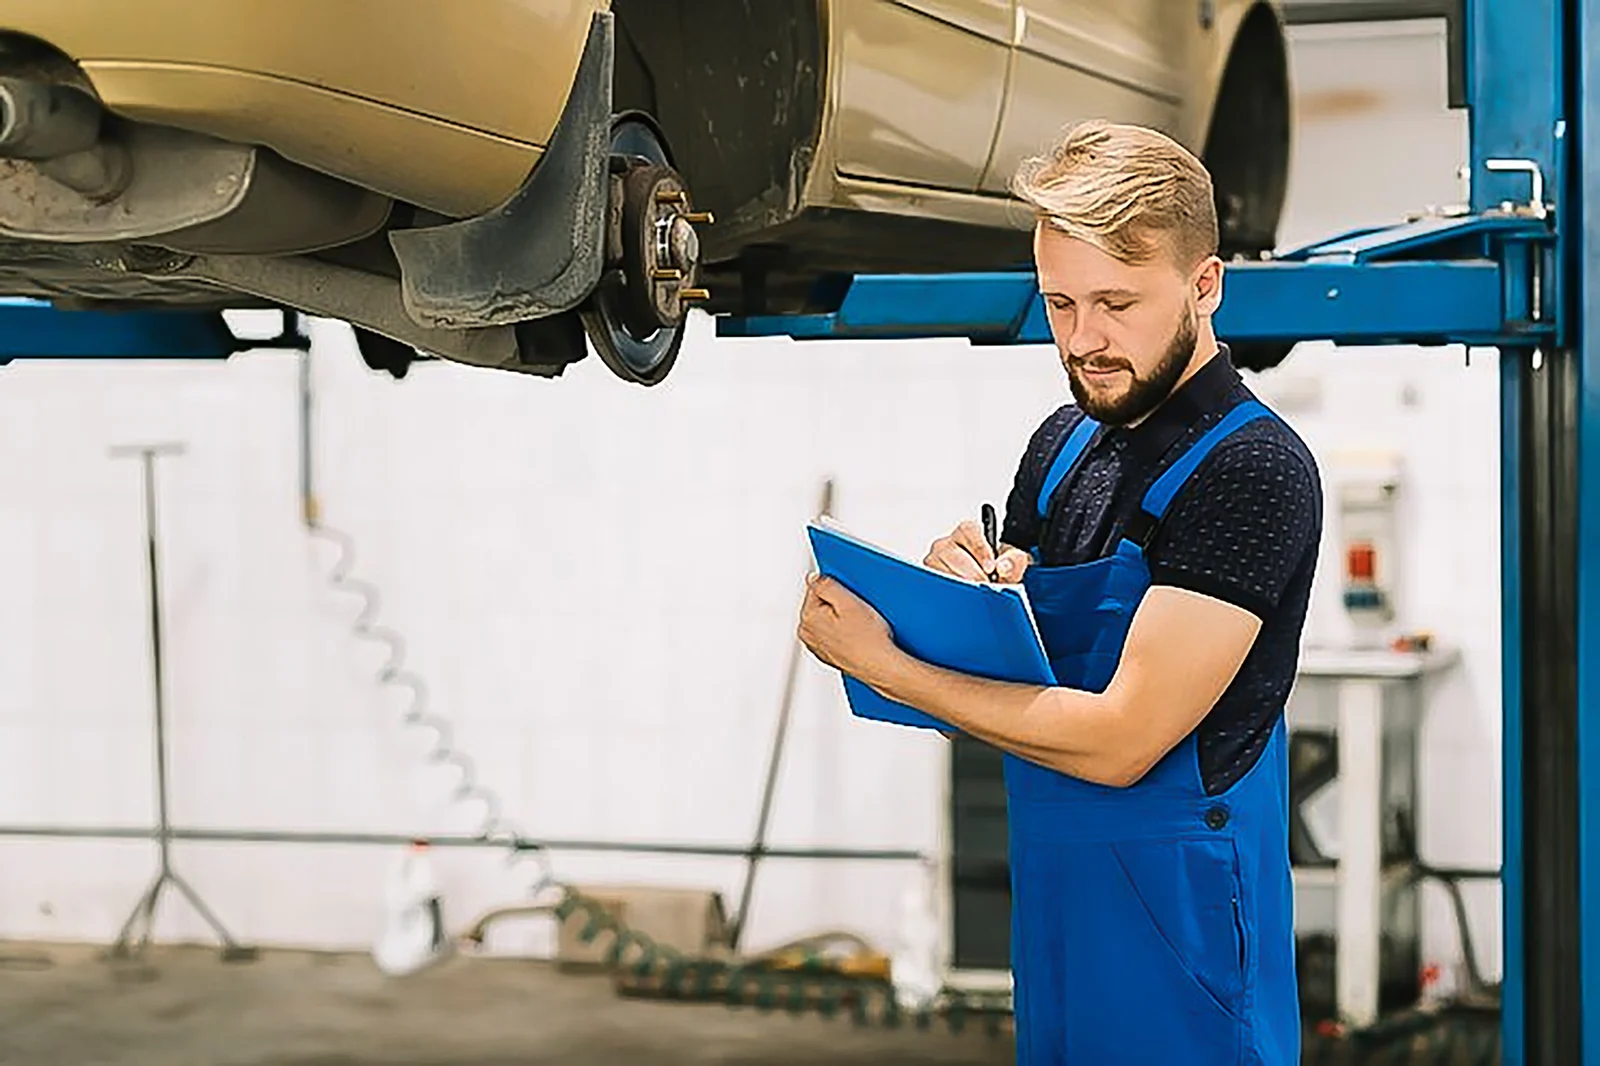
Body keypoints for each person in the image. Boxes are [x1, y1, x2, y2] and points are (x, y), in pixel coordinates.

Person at [796, 119, 1322, 1065]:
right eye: (1061, 304)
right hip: (1057, 907)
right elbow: (1018, 680)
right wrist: (954, 597)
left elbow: (1122, 739)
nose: (1085, 341)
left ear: (1206, 285)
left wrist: (887, 667)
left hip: (1182, 927)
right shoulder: (1063, 446)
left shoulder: (1251, 470)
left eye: (1118, 303)